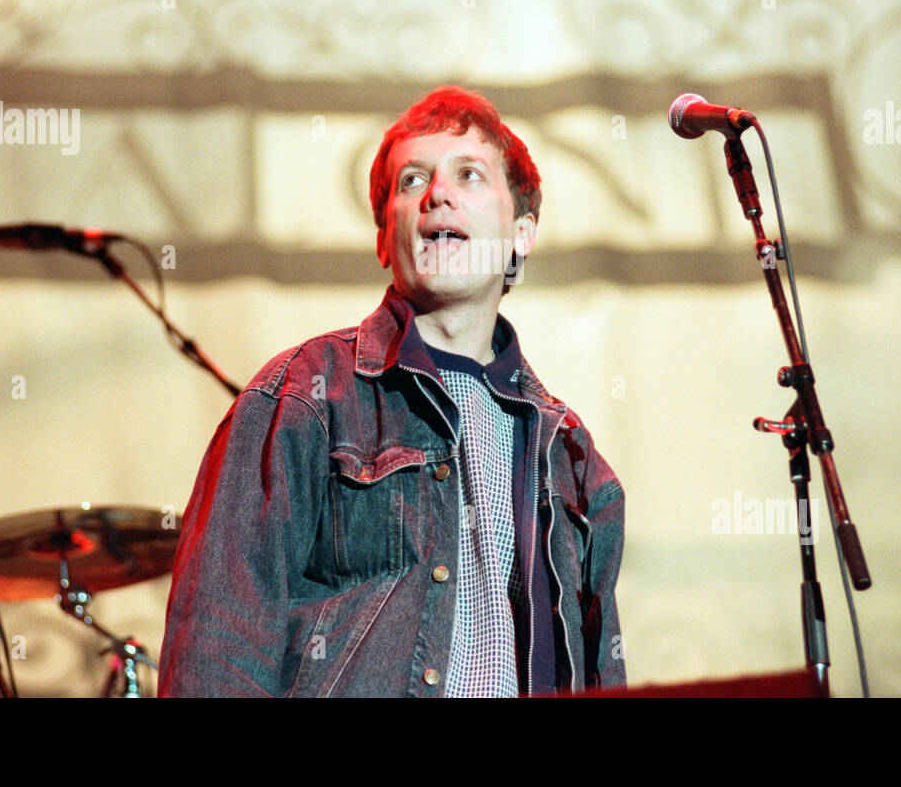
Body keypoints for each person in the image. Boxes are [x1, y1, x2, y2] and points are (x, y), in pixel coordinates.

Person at [159, 86, 625, 697]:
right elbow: (217, 650)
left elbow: (602, 674)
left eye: (469, 175)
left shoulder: (569, 454)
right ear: (385, 239)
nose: (438, 194)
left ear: (521, 233)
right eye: (412, 180)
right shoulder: (304, 396)